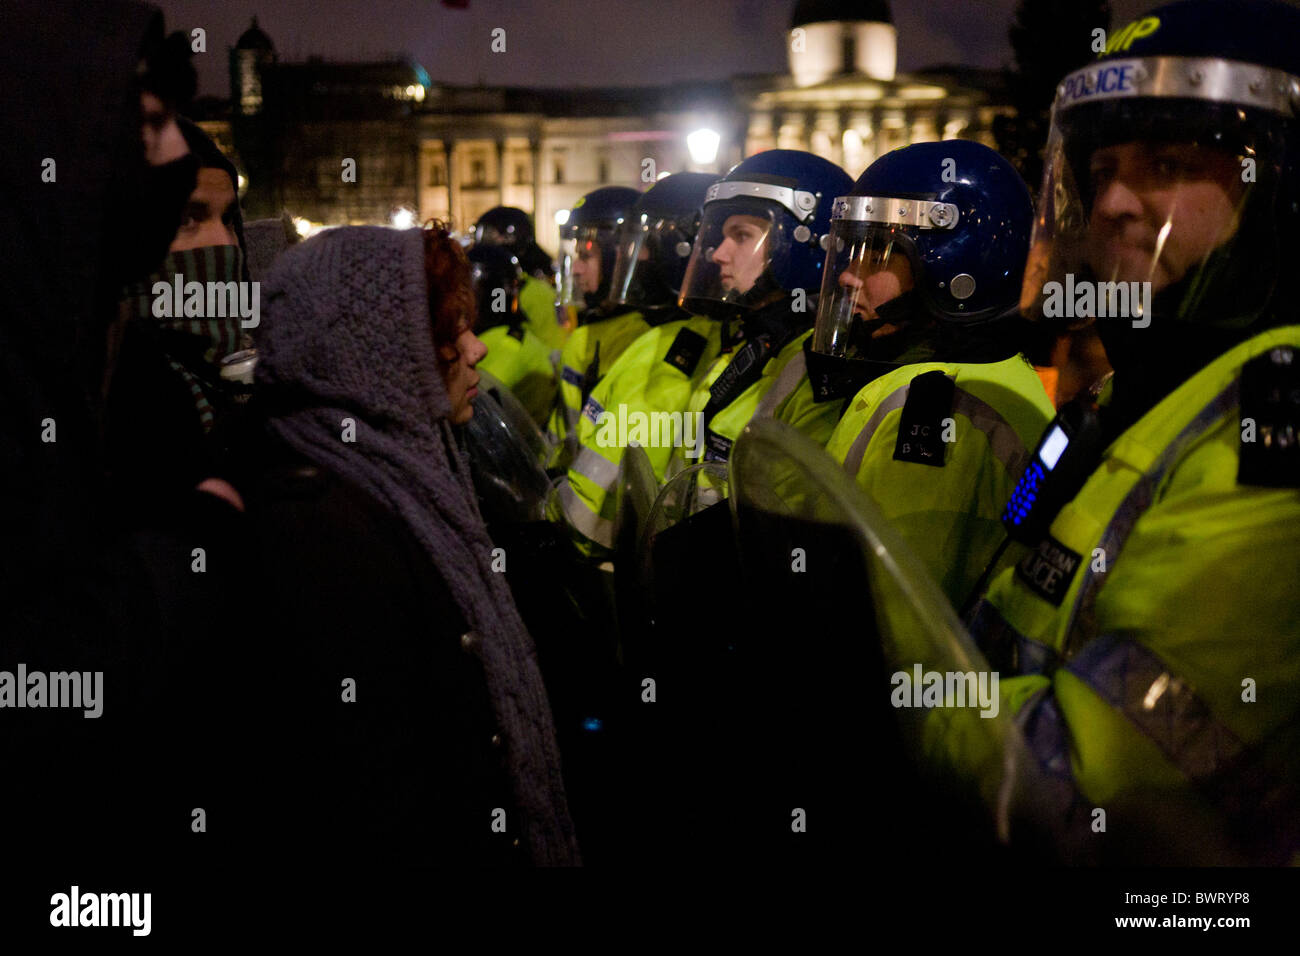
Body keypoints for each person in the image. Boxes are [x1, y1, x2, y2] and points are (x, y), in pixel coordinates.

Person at [965, 0, 1300, 863]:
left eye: (1167, 162)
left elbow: (1089, 783)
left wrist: (887, 697)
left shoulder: (1278, 412)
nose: (1112, 202)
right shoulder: (1123, 394)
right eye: (1100, 165)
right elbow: (1008, 564)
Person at [243, 223, 581, 866]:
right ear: (379, 355)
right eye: (449, 332)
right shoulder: (323, 529)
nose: (477, 349)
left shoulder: (408, 476)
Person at [816, 139, 1055, 610]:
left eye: (878, 252)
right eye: (853, 251)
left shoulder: (939, 403)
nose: (848, 275)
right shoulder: (990, 374)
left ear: (953, 267)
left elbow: (888, 615)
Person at [554, 171, 724, 551]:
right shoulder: (683, 338)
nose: (636, 256)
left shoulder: (672, 345)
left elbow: (596, 499)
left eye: (647, 245)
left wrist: (547, 518)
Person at [663, 150, 854, 475]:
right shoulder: (748, 339)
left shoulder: (814, 366)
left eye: (741, 236)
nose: (718, 254)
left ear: (797, 247)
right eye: (722, 236)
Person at [548, 186, 650, 467]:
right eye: (577, 256)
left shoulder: (641, 338)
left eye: (587, 256)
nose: (577, 269)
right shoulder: (587, 333)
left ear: (622, 256)